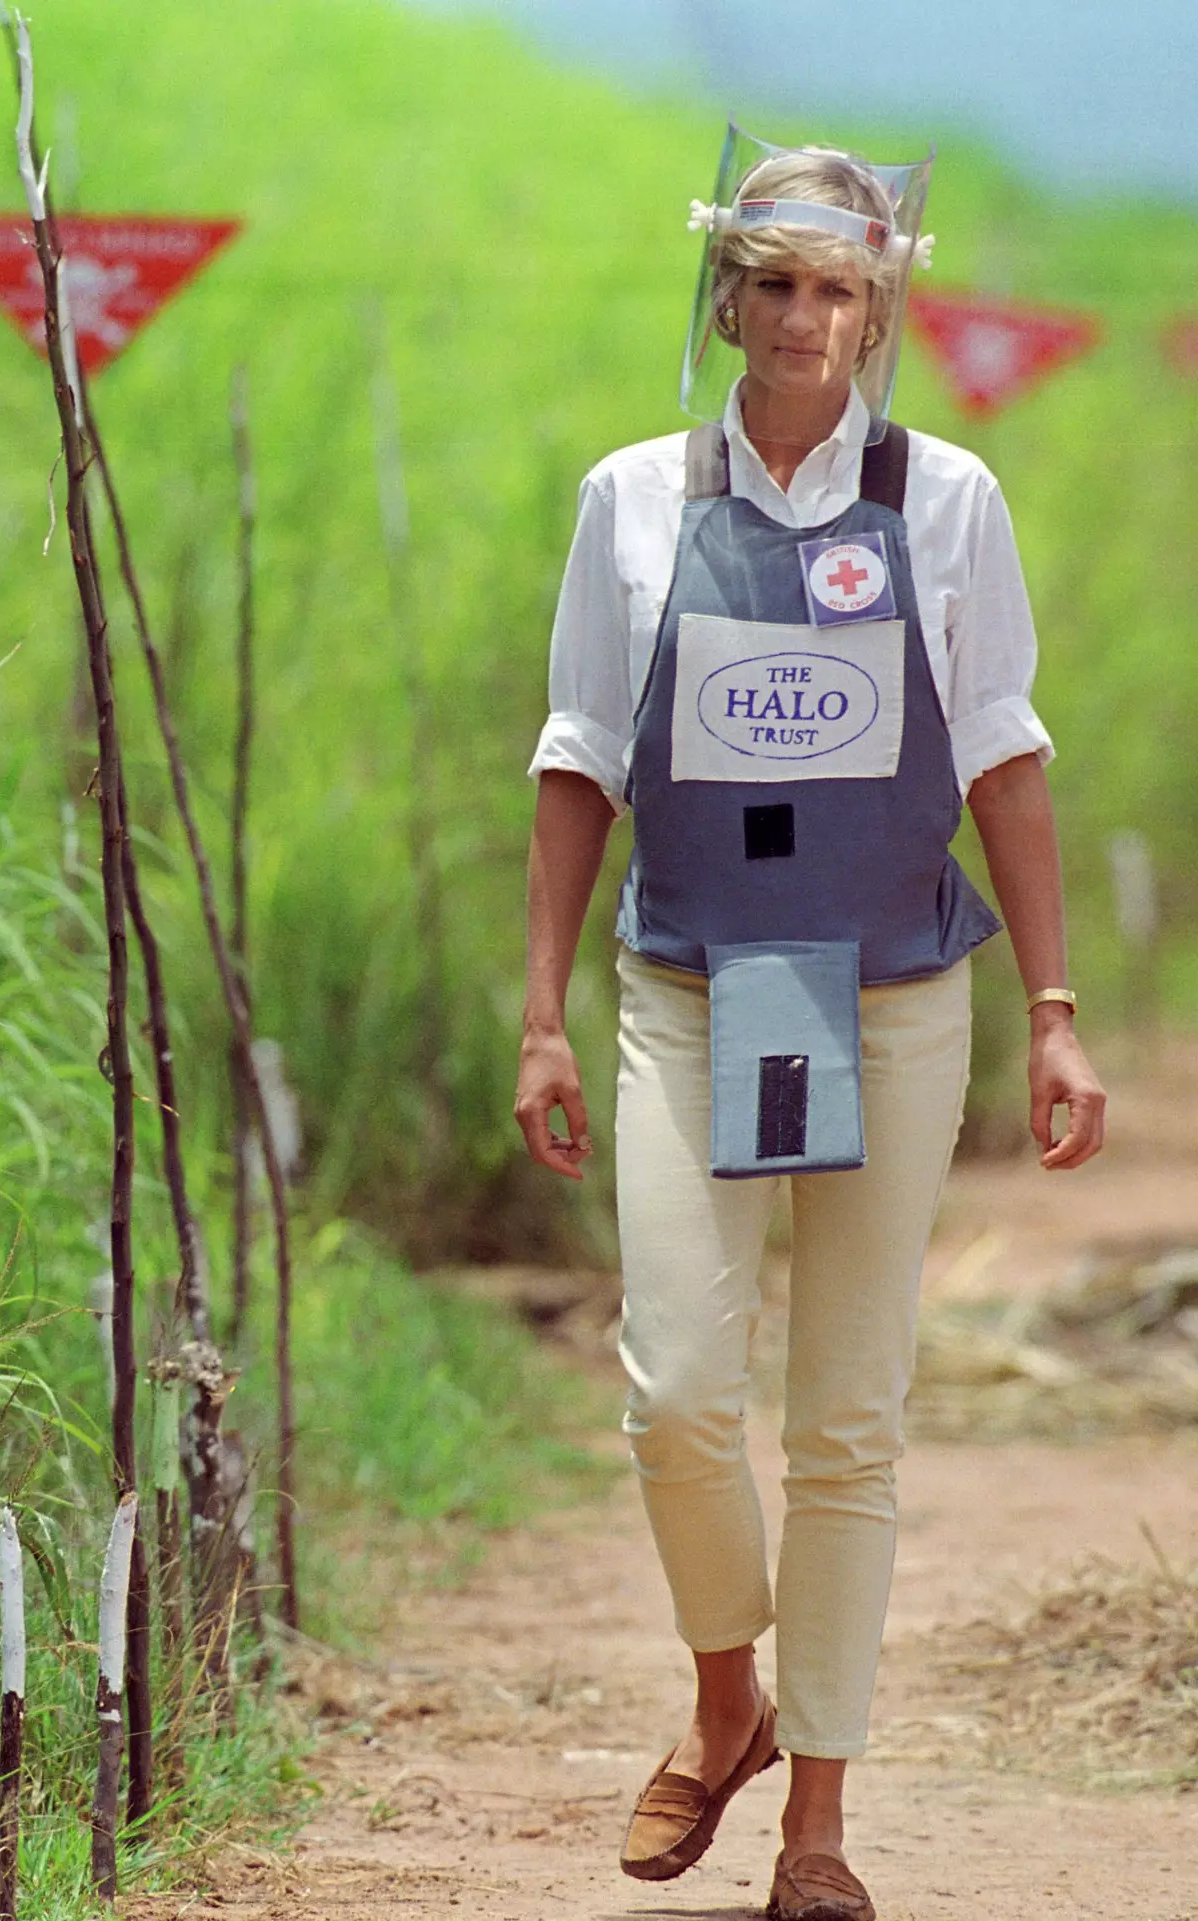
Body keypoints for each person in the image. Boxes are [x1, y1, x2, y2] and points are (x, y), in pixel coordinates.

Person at [515, 132, 1106, 1921]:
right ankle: (726, 1698)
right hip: (691, 986)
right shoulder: (631, 497)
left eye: (835, 286)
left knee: (848, 1420)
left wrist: (1057, 1013)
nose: (800, 316)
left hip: (896, 988)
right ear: (726, 297)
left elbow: (1004, 756)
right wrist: (541, 1012)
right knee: (679, 1392)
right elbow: (578, 762)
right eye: (770, 281)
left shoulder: (949, 504)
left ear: (878, 307)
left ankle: (820, 1833)